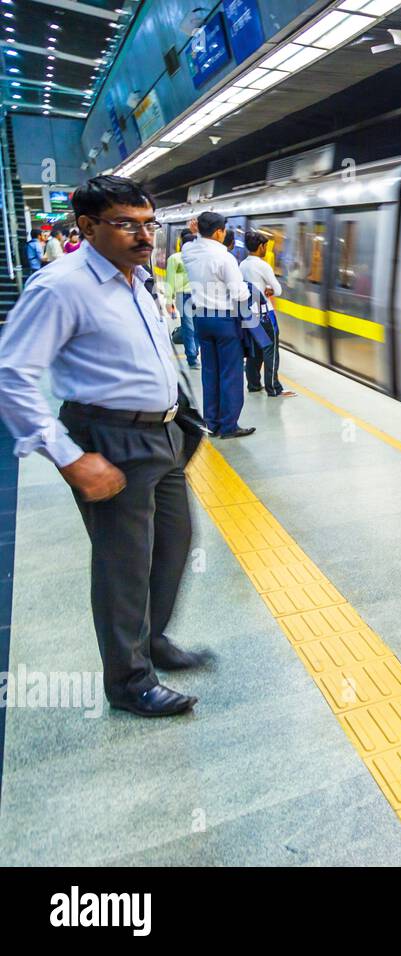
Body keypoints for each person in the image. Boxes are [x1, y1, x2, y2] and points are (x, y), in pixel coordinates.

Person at [0, 174, 213, 717]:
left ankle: (151, 639)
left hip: (163, 432)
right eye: (126, 225)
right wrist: (71, 458)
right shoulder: (60, 286)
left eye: (149, 224)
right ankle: (129, 680)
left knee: (173, 542)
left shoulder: (135, 278)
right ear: (88, 226)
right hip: (111, 436)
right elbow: (11, 376)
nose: (145, 237)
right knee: (124, 561)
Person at [182, 211, 254, 439]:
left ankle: (211, 423)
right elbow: (239, 293)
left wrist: (196, 235)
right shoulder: (225, 258)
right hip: (224, 320)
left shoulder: (189, 252)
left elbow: (191, 245)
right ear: (219, 232)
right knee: (230, 373)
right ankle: (229, 426)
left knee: (210, 372)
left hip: (201, 319)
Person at [240, 231, 294, 397]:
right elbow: (277, 289)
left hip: (249, 314)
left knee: (254, 351)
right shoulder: (262, 265)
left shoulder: (242, 265)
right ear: (261, 247)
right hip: (265, 315)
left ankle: (254, 385)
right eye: (265, 246)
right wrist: (269, 290)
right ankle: (273, 387)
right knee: (270, 350)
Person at [164, 231, 198, 369]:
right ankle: (192, 357)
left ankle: (195, 352)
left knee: (197, 327)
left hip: (198, 295)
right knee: (188, 327)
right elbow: (170, 280)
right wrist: (168, 300)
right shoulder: (175, 258)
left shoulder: (198, 258)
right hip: (182, 295)